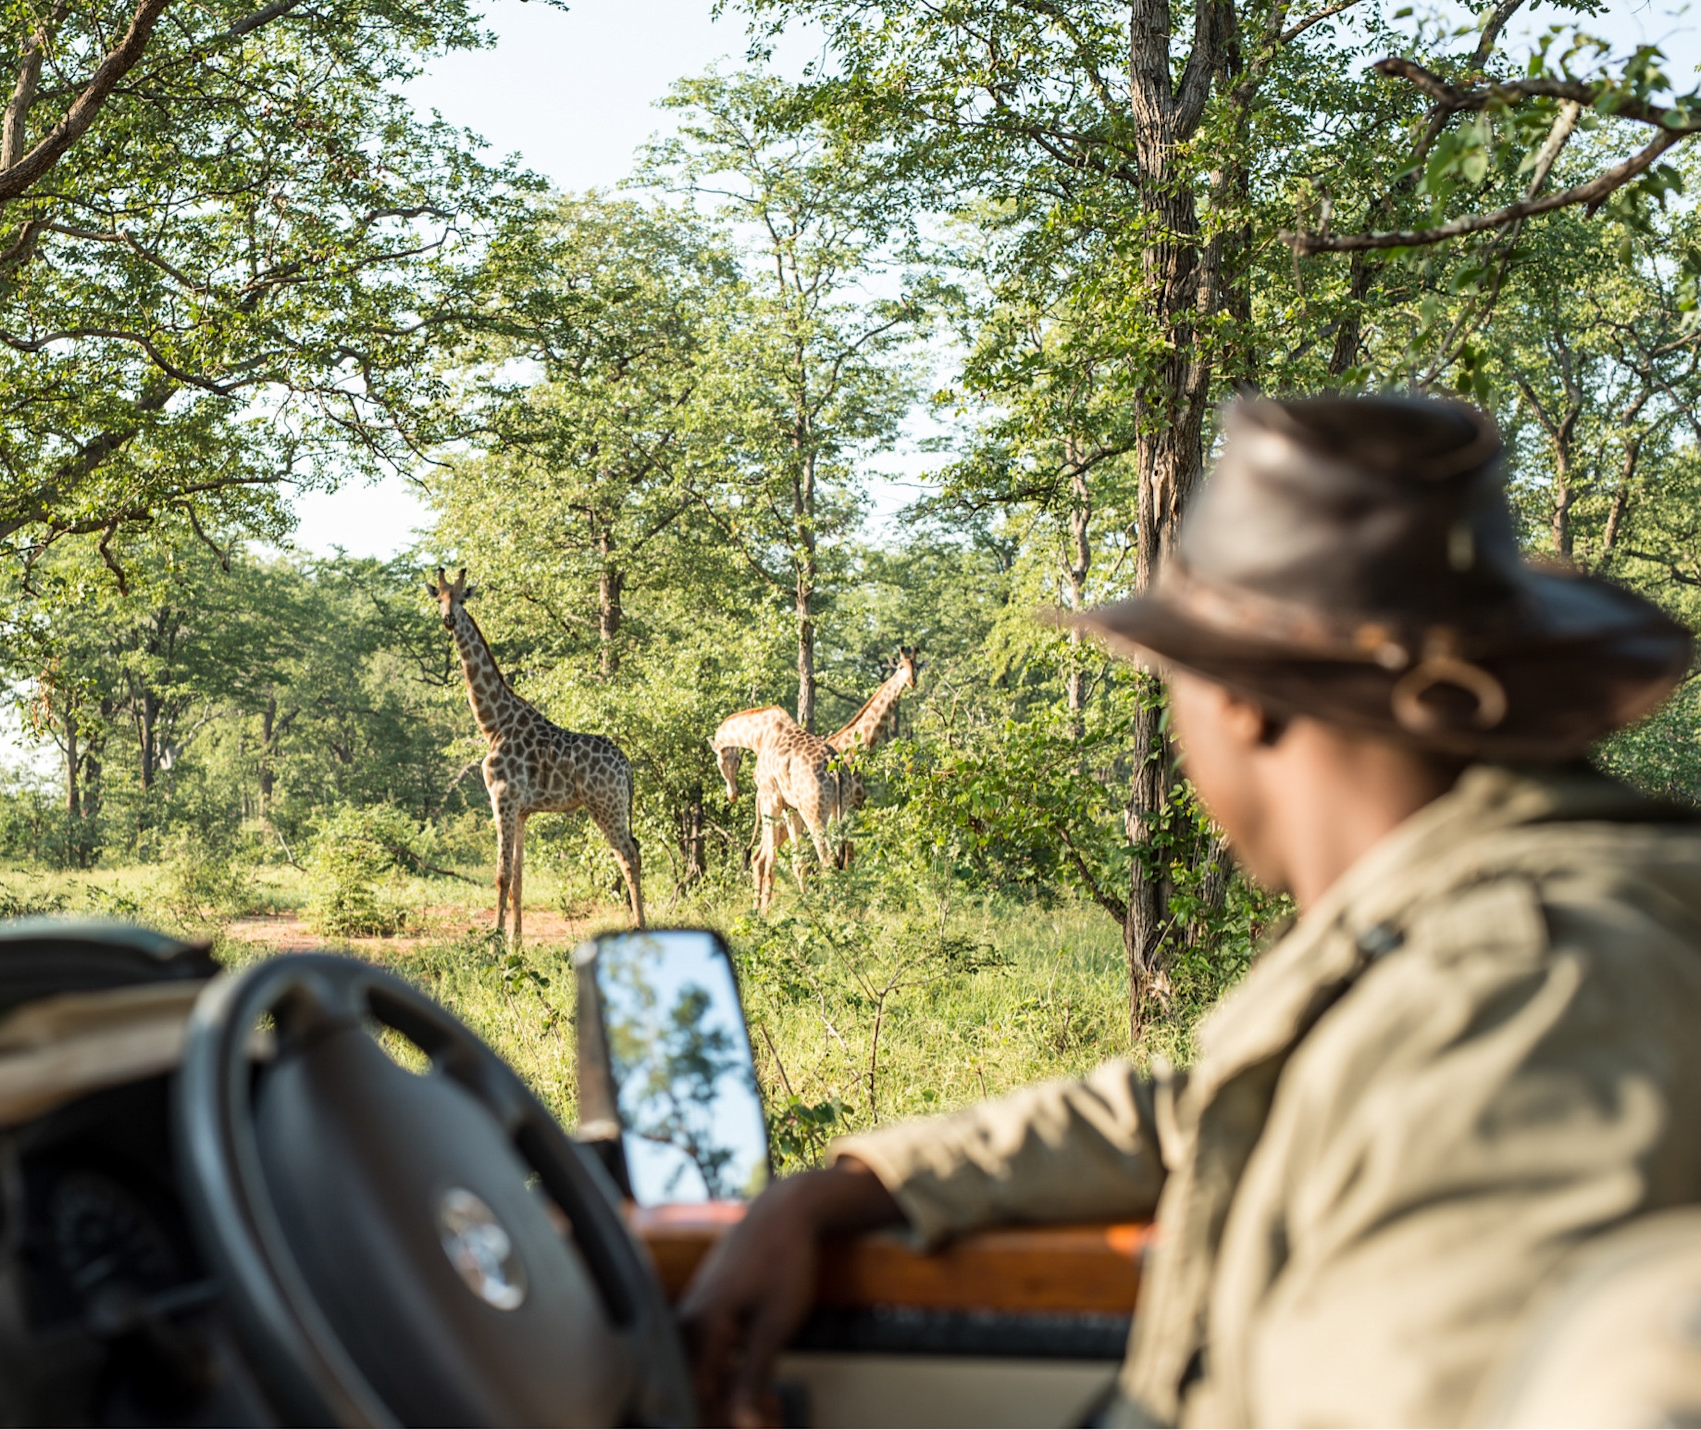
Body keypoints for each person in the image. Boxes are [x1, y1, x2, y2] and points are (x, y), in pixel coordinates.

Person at [679, 393, 1701, 1427]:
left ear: (1236, 700)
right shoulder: (1449, 948)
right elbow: (1215, 1110)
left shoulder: (1520, 991)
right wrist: (846, 1185)